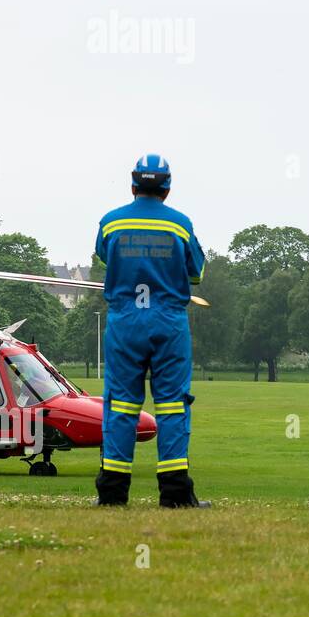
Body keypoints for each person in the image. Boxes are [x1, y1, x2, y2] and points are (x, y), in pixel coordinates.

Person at [95, 154, 209, 508]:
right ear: (167, 188)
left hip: (124, 324)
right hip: (168, 324)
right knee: (173, 406)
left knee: (121, 407)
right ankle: (175, 494)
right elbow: (197, 274)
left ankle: (113, 494)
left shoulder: (111, 223)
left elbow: (103, 257)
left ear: (132, 185)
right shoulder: (180, 225)